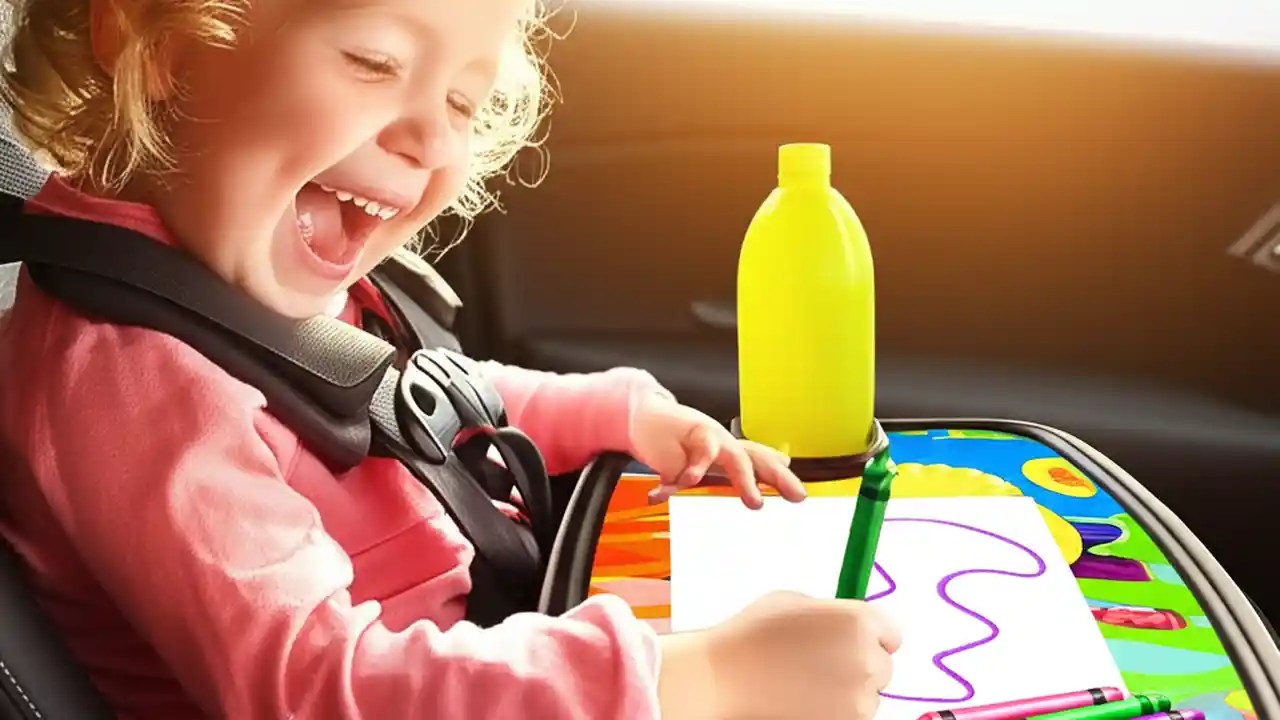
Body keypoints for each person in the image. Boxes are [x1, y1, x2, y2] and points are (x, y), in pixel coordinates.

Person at [0, 0, 900, 717]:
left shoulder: (243, 281)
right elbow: (322, 691)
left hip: (493, 645)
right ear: (163, 40)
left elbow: (422, 399)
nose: (431, 141)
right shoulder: (133, 382)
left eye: (462, 103)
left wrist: (626, 414)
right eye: (375, 62)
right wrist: (702, 682)